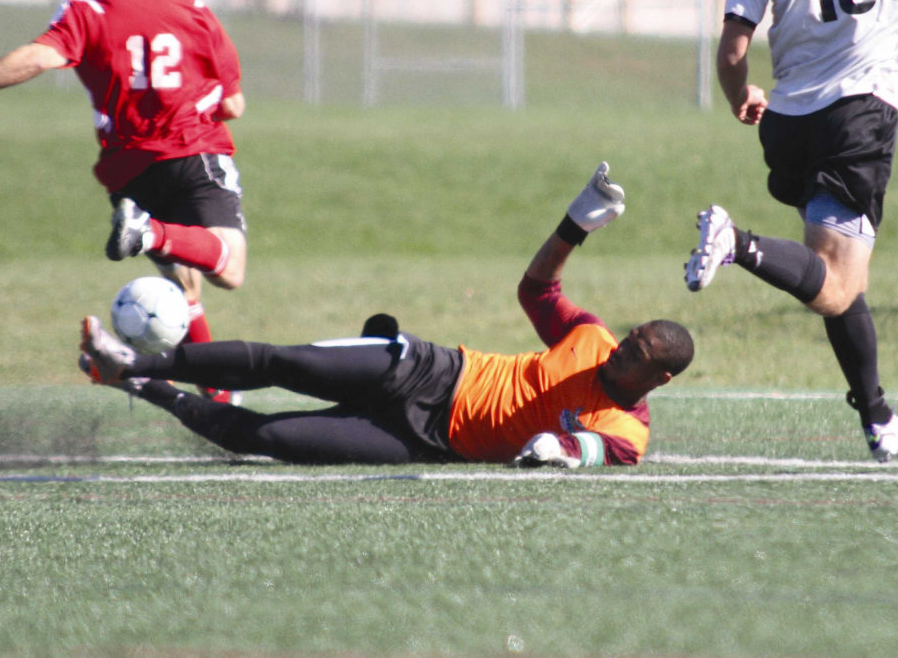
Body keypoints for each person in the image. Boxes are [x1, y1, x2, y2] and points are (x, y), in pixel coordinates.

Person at [78, 163, 695, 466]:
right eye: (629, 338)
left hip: (420, 441)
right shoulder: (591, 338)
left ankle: (140, 382)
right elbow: (536, 290)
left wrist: (560, 452)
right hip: (430, 372)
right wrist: (573, 225)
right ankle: (134, 356)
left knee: (268, 440)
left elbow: (581, 452)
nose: (620, 348)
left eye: (635, 353)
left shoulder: (629, 437)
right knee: (282, 362)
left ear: (659, 378)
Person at [0, 0, 246, 402]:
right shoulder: (195, 10)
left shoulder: (87, 12)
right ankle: (151, 234)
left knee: (185, 286)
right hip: (192, 153)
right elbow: (232, 104)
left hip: (129, 170)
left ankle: (219, 396)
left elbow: (37, 57)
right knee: (230, 267)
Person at [684, 0, 898, 461]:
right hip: (858, 111)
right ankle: (735, 242)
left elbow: (734, 50)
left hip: (790, 123)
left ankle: (877, 416)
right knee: (835, 281)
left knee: (838, 274)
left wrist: (740, 97)